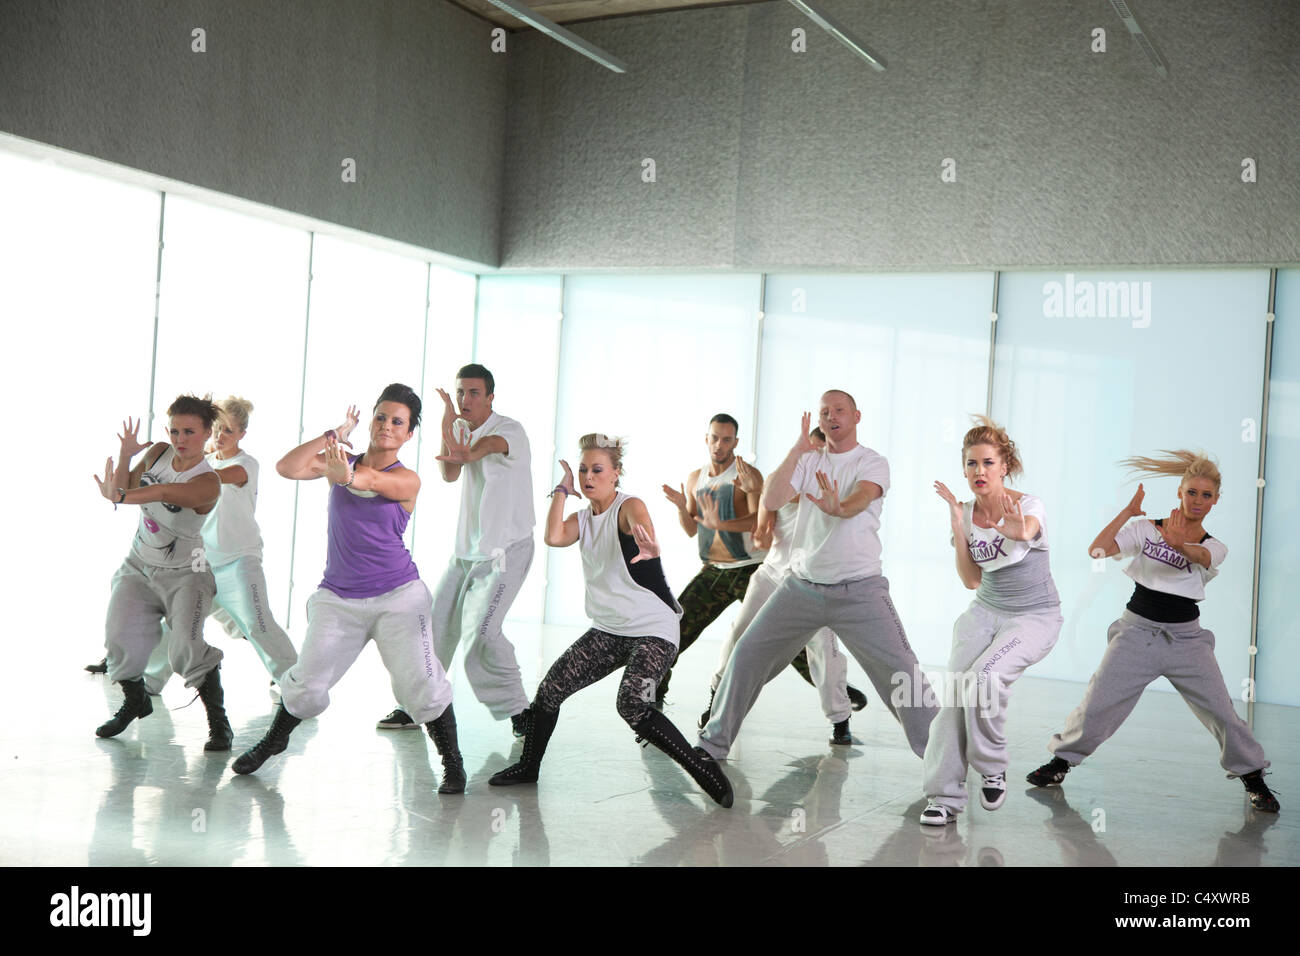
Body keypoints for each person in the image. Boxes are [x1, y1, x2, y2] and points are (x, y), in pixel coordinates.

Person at [231, 385, 465, 794]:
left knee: (423, 689)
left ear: (409, 434)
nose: (387, 427)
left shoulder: (407, 479)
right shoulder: (341, 458)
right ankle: (275, 738)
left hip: (400, 598)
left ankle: (453, 762)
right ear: (371, 420)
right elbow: (287, 467)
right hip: (339, 598)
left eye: (398, 422)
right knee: (305, 685)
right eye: (381, 417)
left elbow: (373, 481)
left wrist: (347, 474)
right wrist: (331, 438)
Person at [488, 434, 733, 807]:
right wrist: (562, 490)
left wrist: (648, 544)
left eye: (597, 470)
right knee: (549, 691)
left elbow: (640, 521)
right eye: (584, 470)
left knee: (633, 703)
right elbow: (554, 536)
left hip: (654, 629)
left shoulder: (627, 506)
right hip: (609, 630)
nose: (589, 476)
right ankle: (528, 768)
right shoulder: (582, 519)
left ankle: (701, 766)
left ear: (615, 473)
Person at [1027, 451, 1279, 813]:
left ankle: (1253, 778)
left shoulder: (1214, 546)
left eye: (1206, 495)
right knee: (1098, 701)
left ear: (1216, 501)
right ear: (1180, 492)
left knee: (1222, 712)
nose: (1197, 501)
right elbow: (1097, 550)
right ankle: (1061, 763)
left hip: (1187, 640)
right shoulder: (1147, 529)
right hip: (1136, 632)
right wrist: (1127, 514)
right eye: (1192, 492)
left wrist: (1178, 544)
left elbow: (1203, 559)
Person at [699, 391, 938, 762]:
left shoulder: (872, 462)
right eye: (824, 411)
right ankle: (711, 747)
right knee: (746, 652)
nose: (831, 416)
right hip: (801, 588)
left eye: (839, 410)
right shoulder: (808, 461)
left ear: (856, 416)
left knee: (902, 673)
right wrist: (796, 449)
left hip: (859, 589)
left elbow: (862, 497)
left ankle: (946, 761)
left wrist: (838, 507)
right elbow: (773, 498)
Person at [375, 364, 534, 739]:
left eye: (474, 393)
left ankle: (521, 712)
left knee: (481, 632)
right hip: (466, 552)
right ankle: (415, 706)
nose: (465, 400)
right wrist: (450, 425)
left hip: (505, 551)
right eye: (460, 393)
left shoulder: (508, 430)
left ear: (490, 397)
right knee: (432, 628)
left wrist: (454, 431)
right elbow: (450, 473)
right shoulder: (461, 429)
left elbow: (478, 451)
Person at [919, 416, 1063, 826]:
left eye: (987, 463)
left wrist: (1006, 522)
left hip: (1034, 617)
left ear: (1004, 466)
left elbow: (1027, 529)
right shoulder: (963, 513)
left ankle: (991, 764)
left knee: (984, 677)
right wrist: (957, 527)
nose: (978, 472)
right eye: (971, 465)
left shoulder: (1028, 506)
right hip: (984, 612)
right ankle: (943, 798)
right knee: (954, 699)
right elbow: (970, 580)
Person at [700, 426, 868, 744]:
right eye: (810, 452)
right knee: (739, 634)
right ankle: (714, 700)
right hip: (772, 576)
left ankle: (840, 721)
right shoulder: (784, 483)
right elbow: (764, 528)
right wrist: (760, 522)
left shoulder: (838, 489)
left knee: (825, 653)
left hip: (813, 584)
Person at [91, 396, 232, 750]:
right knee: (118, 636)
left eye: (189, 431)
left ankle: (219, 723)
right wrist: (125, 457)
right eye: (174, 430)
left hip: (188, 573)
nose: (180, 438)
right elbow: (127, 488)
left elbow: (164, 491)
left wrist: (121, 496)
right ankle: (135, 700)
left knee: (185, 647)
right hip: (139, 564)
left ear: (206, 434)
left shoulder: (208, 482)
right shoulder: (156, 453)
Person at [140, 397, 297, 697]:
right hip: (201, 562)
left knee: (258, 623)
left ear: (242, 434)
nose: (221, 436)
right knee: (177, 624)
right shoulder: (205, 462)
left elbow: (213, 478)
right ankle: (149, 681)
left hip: (239, 561)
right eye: (217, 430)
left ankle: (293, 682)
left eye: (229, 431)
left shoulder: (245, 465)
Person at [656, 414, 765, 707]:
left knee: (787, 641)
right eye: (714, 438)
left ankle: (839, 706)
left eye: (726, 439)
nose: (719, 445)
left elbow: (759, 523)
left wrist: (720, 523)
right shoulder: (695, 478)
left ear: (736, 442)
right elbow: (692, 529)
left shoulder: (747, 475)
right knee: (673, 630)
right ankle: (654, 696)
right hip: (713, 571)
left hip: (750, 571)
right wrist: (681, 507)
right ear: (706, 438)